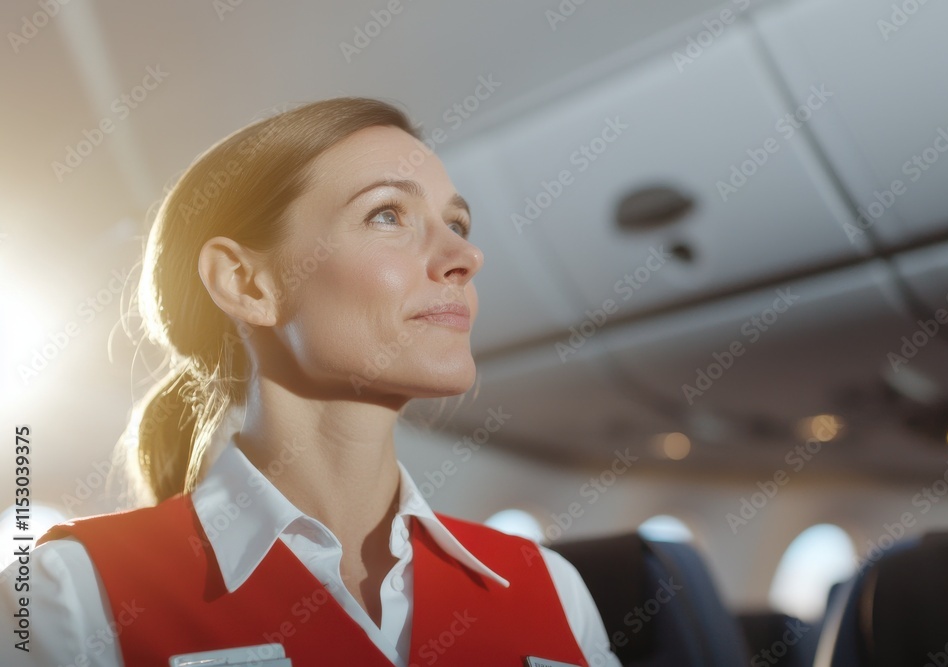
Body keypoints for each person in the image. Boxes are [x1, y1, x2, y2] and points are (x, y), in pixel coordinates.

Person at [0, 98, 621, 666]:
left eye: (456, 224)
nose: (466, 256)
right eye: (387, 215)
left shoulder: (548, 584)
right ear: (249, 285)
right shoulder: (70, 593)